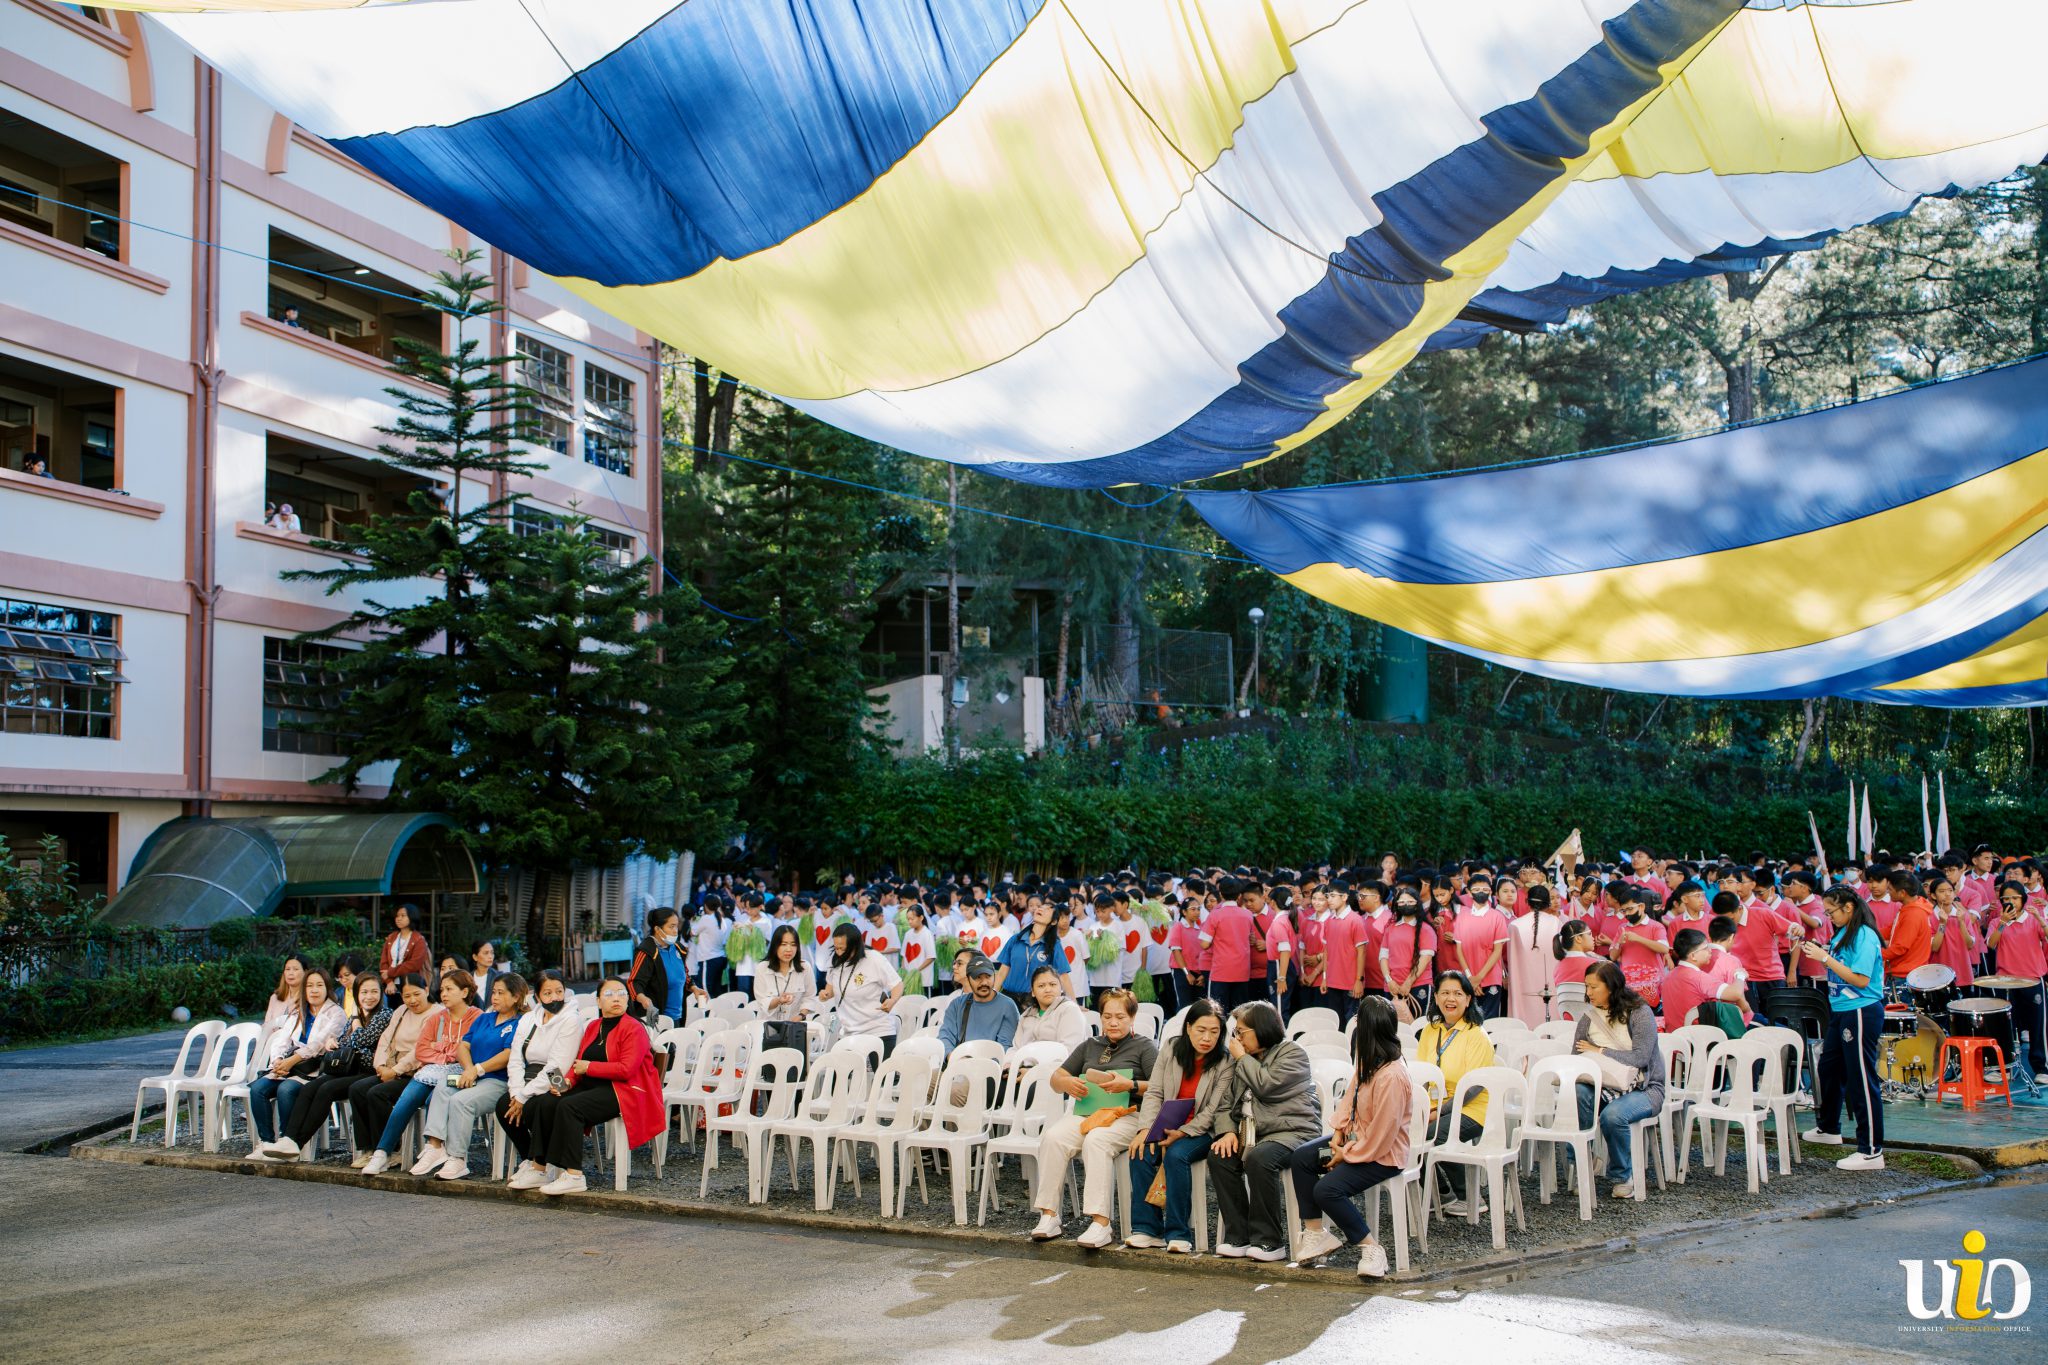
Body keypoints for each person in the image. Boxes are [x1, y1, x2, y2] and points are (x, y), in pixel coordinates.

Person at [1289, 996, 1412, 1277]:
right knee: (1302, 1157)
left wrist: (1347, 1154)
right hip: (1358, 1140)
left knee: (1327, 1190)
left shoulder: (1392, 1074)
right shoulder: (1369, 1060)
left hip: (1384, 1154)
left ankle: (1370, 1248)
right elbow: (1349, 1101)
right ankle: (1315, 1233)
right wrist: (1339, 1134)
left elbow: (1383, 1134)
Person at [1028, 989, 1158, 1249]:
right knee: (1053, 1137)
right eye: (1107, 1016)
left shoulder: (1144, 1046)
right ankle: (1049, 1215)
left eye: (1120, 1016)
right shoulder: (1090, 1045)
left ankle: (1101, 1222)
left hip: (1127, 1115)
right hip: (1088, 1113)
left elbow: (1160, 1086)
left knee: (1096, 1140)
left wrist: (1130, 1084)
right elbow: (1056, 1078)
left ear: (1132, 1017)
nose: (1113, 1022)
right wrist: (1067, 1083)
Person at [515, 976, 663, 1196]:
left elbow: (626, 1070)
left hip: (625, 1090)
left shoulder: (635, 1028)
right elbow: (577, 1064)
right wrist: (565, 1082)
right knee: (544, 1101)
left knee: (570, 1106)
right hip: (592, 1086)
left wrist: (589, 1067)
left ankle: (574, 1175)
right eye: (609, 994)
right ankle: (540, 1167)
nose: (616, 999)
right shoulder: (594, 1026)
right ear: (598, 1001)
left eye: (622, 994)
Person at [1208, 1002, 1319, 1261]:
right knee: (1220, 1155)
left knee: (1260, 1158)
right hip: (1252, 1135)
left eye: (1241, 1032)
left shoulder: (1292, 1053)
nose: (1236, 1038)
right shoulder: (1244, 1059)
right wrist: (1226, 1132)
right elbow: (1225, 1104)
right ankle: (1239, 1236)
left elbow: (1267, 1086)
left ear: (1262, 1029)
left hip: (1292, 1132)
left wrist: (1242, 1058)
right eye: (1235, 1032)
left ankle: (1269, 1241)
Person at [1123, 998, 1234, 1254]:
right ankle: (1147, 1230)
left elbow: (1213, 1110)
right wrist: (1144, 1130)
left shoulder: (1225, 1061)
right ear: (1188, 1028)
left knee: (1176, 1155)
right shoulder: (1171, 1048)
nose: (1207, 1038)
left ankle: (1178, 1233)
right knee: (1141, 1151)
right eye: (1201, 1030)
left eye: (1214, 1032)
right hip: (1168, 1122)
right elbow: (1154, 1092)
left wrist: (1183, 1132)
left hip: (1202, 1130)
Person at [255, 975, 391, 1160]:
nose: (369, 996)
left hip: (368, 1071)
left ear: (381, 994)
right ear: (357, 994)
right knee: (311, 1088)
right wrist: (334, 1042)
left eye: (374, 992)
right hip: (348, 1069)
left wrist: (356, 1022)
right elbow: (344, 1041)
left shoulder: (384, 1015)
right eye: (364, 992)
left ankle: (297, 1142)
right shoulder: (356, 1017)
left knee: (326, 1089)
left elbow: (362, 1040)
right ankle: (288, 1140)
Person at [1799, 887, 1888, 1169]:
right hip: (1841, 1010)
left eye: (1831, 912)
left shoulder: (1863, 934)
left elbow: (1861, 979)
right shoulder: (1844, 933)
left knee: (1860, 1076)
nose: (1829, 917)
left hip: (1860, 1009)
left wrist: (1824, 958)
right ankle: (1829, 1128)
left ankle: (1871, 1149)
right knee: (1828, 1067)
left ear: (1848, 908)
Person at [358, 971, 479, 1176]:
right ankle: (382, 1152)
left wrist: (441, 1048)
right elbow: (422, 1050)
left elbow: (472, 1050)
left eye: (449, 989)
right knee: (407, 1097)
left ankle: (435, 1150)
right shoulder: (438, 1018)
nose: (444, 994)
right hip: (431, 1070)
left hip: (462, 1073)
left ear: (464, 992)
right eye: (442, 989)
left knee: (436, 1097)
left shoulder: (477, 1017)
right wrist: (449, 1052)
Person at [411, 973, 528, 1181]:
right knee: (443, 1087)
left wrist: (478, 1069)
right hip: (473, 1075)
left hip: (499, 1081)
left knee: (460, 1101)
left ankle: (457, 1158)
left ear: (516, 997)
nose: (495, 997)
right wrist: (468, 1069)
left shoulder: (520, 1022)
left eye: (501, 993)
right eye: (493, 992)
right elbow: (463, 1046)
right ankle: (435, 1145)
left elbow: (508, 1055)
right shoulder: (484, 1018)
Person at [1571, 961, 1667, 1198]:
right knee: (1576, 1094)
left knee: (1613, 1115)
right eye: (1586, 987)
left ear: (1612, 987)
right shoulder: (1589, 1017)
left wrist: (1600, 1051)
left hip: (1644, 1088)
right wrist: (1592, 1053)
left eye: (1594, 987)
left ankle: (1622, 1175)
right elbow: (1576, 1056)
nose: (1588, 993)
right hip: (1601, 1086)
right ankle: (1584, 1162)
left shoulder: (1639, 1012)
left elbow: (1641, 1056)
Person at [1417, 970, 1495, 1215]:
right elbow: (1422, 1074)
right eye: (1445, 993)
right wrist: (1419, 1107)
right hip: (1434, 1107)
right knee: (1402, 1131)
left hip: (1472, 1108)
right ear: (1437, 998)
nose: (1451, 999)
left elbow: (1472, 1089)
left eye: (1457, 994)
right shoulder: (1431, 1030)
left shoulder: (1476, 1035)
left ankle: (1470, 1196)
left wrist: (1435, 1113)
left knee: (1433, 1134)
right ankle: (1440, 1193)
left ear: (1468, 999)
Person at [497, 969, 584, 1188]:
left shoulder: (571, 1020)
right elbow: (516, 1058)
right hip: (529, 1073)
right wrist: (516, 1093)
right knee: (503, 1105)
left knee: (540, 1104)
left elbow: (558, 1064)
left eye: (559, 991)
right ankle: (529, 1157)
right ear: (537, 997)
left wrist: (524, 1097)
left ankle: (541, 1166)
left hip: (560, 1076)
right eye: (548, 993)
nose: (554, 997)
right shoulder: (528, 1019)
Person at [246, 967, 346, 1148]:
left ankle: (286, 1141)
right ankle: (266, 1142)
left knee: (286, 1089)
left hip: (313, 1069)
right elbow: (282, 1040)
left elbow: (318, 1044)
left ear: (327, 988)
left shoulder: (336, 1013)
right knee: (257, 1089)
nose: (314, 990)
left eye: (319, 985)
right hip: (288, 1066)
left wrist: (291, 1061)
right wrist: (277, 1060)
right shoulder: (299, 1011)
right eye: (309, 986)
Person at [345, 974, 434, 1169]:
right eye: (407, 996)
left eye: (416, 994)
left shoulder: (435, 1014)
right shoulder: (401, 1011)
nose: (412, 1000)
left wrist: (394, 1071)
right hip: (389, 1068)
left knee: (377, 1093)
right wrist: (380, 1066)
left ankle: (391, 1150)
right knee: (357, 1089)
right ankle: (369, 1149)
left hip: (415, 1073)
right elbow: (385, 1040)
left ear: (426, 990)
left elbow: (420, 1050)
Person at [1986, 881, 2048, 1084]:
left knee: (2037, 1025)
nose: (2010, 902)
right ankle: (2005, 1066)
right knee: (2006, 1026)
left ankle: (2041, 1068)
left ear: (2023, 899)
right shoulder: (1997, 921)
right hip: (2006, 980)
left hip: (2031, 978)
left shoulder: (2032, 919)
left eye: (2015, 898)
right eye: (2006, 898)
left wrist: (2040, 919)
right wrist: (2003, 923)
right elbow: (1991, 944)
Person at [818, 923, 902, 1057]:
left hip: (878, 1030)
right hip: (849, 1032)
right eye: (836, 948)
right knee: (842, 1075)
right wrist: (825, 994)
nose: (839, 952)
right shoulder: (835, 961)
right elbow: (832, 987)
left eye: (843, 949)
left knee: (883, 1077)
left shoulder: (874, 959)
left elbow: (897, 984)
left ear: (855, 946)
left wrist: (893, 1000)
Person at [1660, 929, 1748, 1033]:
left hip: (1675, 1038)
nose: (1710, 951)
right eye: (1706, 948)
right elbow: (1736, 994)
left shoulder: (1669, 976)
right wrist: (1740, 976)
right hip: (1697, 1039)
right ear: (1693, 956)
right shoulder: (1697, 977)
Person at [629, 907, 703, 1025]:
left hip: (677, 1016)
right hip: (656, 1017)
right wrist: (643, 999)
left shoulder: (678, 949)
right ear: (658, 929)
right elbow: (634, 983)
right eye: (671, 926)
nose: (675, 931)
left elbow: (684, 974)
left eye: (676, 926)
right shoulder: (646, 951)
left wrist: (694, 988)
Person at [937, 954, 1021, 1055]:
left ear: (994, 976)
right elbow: (945, 1036)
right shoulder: (957, 1004)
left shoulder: (1007, 1006)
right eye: (978, 977)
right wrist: (952, 1057)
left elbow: (1005, 1045)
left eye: (988, 976)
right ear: (968, 979)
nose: (984, 982)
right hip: (959, 1062)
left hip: (993, 1065)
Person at [754, 924, 817, 1054]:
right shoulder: (762, 968)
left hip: (794, 1030)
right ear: (775, 946)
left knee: (794, 1070)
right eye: (783, 944)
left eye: (793, 944)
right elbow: (762, 1001)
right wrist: (778, 1000)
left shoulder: (805, 968)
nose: (789, 949)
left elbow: (809, 997)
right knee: (769, 1071)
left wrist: (800, 1016)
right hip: (768, 1029)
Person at [1506, 882, 1560, 1026]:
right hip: (1552, 983)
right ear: (1548, 903)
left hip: (1522, 985)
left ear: (1526, 901)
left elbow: (1512, 963)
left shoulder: (1514, 925)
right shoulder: (1556, 922)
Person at [1201, 878, 1258, 1013]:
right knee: (1240, 1013)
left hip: (1221, 971)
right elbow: (1251, 938)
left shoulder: (1215, 915)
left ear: (1220, 894)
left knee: (1217, 1012)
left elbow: (1204, 944)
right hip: (1242, 971)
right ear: (1239, 896)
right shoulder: (1248, 915)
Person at [997, 897, 1064, 1006]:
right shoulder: (1016, 939)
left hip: (1034, 1000)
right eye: (1040, 907)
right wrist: (992, 995)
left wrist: (1074, 1002)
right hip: (1007, 997)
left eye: (1047, 909)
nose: (1040, 909)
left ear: (1054, 921)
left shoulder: (1054, 944)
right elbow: (1002, 972)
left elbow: (1063, 974)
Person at [1379, 893, 1436, 1021]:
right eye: (1402, 902)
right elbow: (1383, 957)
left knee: (1418, 1025)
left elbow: (1425, 959)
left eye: (1410, 902)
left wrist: (1408, 982)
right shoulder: (1390, 928)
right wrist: (1389, 980)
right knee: (1393, 1027)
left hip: (1418, 985)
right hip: (1392, 986)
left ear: (1417, 904)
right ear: (1396, 904)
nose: (1406, 905)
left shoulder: (1426, 929)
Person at [1013, 965, 1091, 1052]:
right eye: (1041, 986)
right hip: (1023, 1063)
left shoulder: (1070, 1010)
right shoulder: (1026, 1016)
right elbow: (1015, 1047)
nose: (1048, 990)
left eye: (1052, 984)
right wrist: (1009, 1064)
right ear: (1033, 992)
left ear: (1061, 988)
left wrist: (1039, 1065)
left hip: (1058, 1064)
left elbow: (1069, 1050)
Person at [1167, 894, 1210, 1012]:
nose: (1196, 912)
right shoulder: (1178, 927)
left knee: (1198, 1007)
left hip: (1199, 973)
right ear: (1184, 912)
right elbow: (1176, 951)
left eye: (1198, 909)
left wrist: (1203, 974)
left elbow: (1205, 952)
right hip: (1182, 972)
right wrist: (1187, 973)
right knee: (1184, 1006)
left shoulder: (1201, 928)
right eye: (1193, 909)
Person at [379, 905, 429, 1004]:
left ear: (412, 917)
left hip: (409, 984)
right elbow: (383, 963)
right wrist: (389, 982)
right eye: (397, 916)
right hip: (389, 986)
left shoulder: (419, 939)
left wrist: (390, 972)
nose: (399, 918)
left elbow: (414, 965)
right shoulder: (391, 937)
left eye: (403, 915)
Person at [261, 955, 308, 1032]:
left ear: (305, 972)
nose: (290, 973)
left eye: (295, 969)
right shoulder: (275, 998)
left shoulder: (310, 997)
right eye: (287, 969)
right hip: (273, 1041)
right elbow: (266, 1026)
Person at [1552, 919, 1600, 988]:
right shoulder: (1596, 965)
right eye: (1589, 934)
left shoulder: (1558, 968)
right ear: (1578, 938)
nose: (1592, 938)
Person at [468, 939, 507, 1008]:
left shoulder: (499, 977)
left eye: (492, 953)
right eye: (486, 953)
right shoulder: (467, 978)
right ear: (475, 957)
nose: (490, 956)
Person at [331, 953, 369, 1021]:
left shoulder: (373, 992)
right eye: (340, 977)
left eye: (347, 975)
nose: (343, 980)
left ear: (359, 972)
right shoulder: (337, 994)